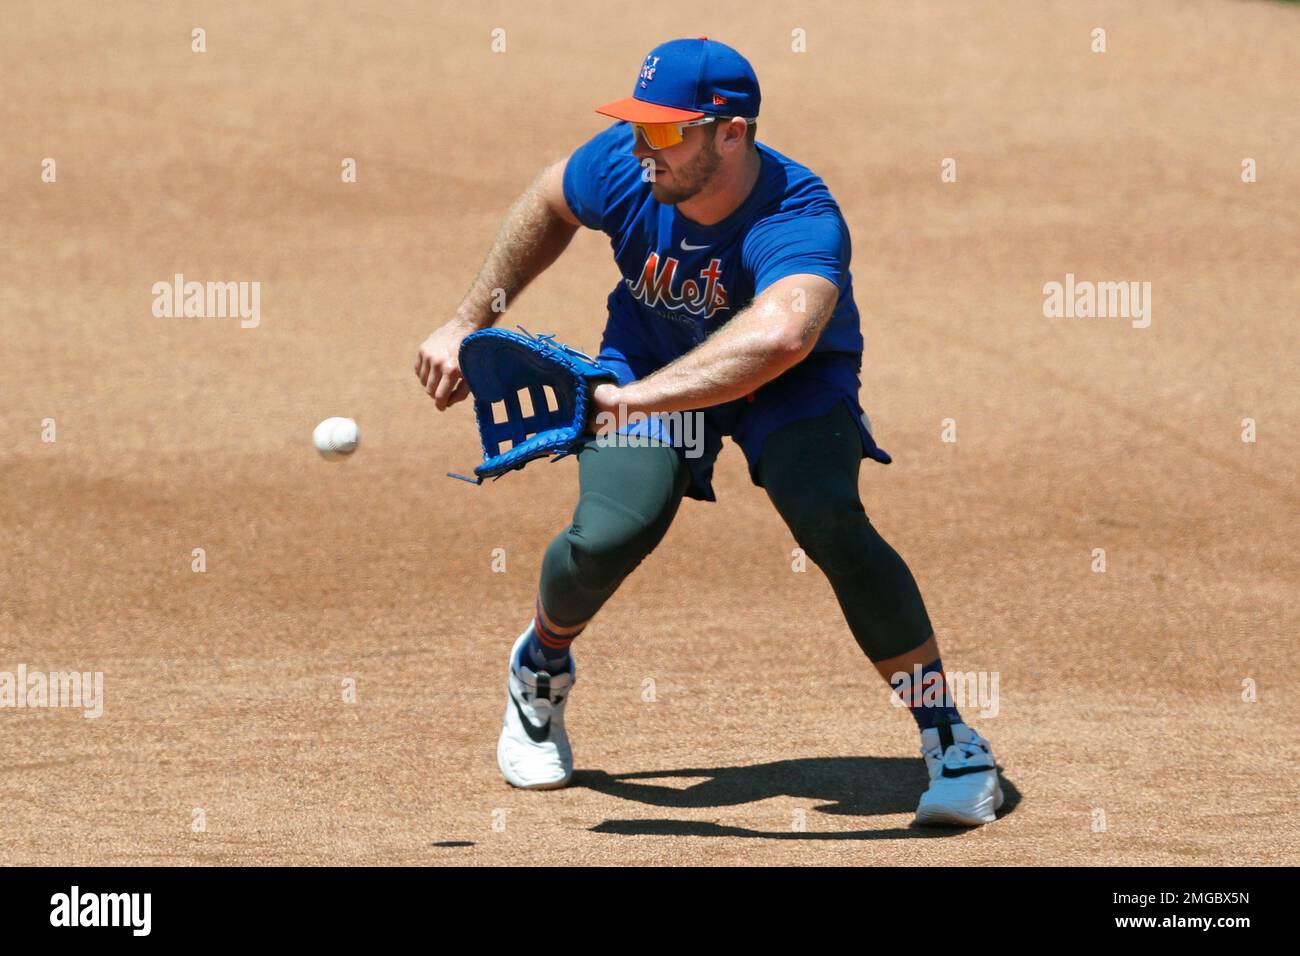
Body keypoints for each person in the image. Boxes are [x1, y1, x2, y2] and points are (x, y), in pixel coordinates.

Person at [415, 38, 1002, 826]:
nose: (638, 148)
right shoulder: (632, 169)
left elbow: (783, 337)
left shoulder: (799, 213)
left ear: (730, 133)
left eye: (663, 131)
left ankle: (949, 736)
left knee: (828, 515)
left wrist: (633, 403)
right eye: (635, 127)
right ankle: (540, 668)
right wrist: (466, 321)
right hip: (650, 359)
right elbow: (551, 197)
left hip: (785, 385)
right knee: (609, 534)